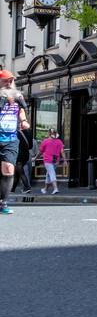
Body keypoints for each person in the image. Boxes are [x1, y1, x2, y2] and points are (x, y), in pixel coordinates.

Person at [0, 70, 29, 215]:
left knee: (9, 169)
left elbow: (21, 110)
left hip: (10, 138)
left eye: (11, 80)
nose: (9, 83)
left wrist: (23, 121)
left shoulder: (18, 96)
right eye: (5, 80)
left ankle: (3, 203)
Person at [39, 130, 66, 195]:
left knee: (51, 174)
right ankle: (45, 189)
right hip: (56, 161)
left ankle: (55, 188)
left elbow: (40, 152)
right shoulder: (59, 141)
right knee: (49, 174)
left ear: (49, 134)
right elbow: (62, 152)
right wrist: (65, 160)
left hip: (47, 161)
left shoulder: (45, 141)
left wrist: (35, 158)